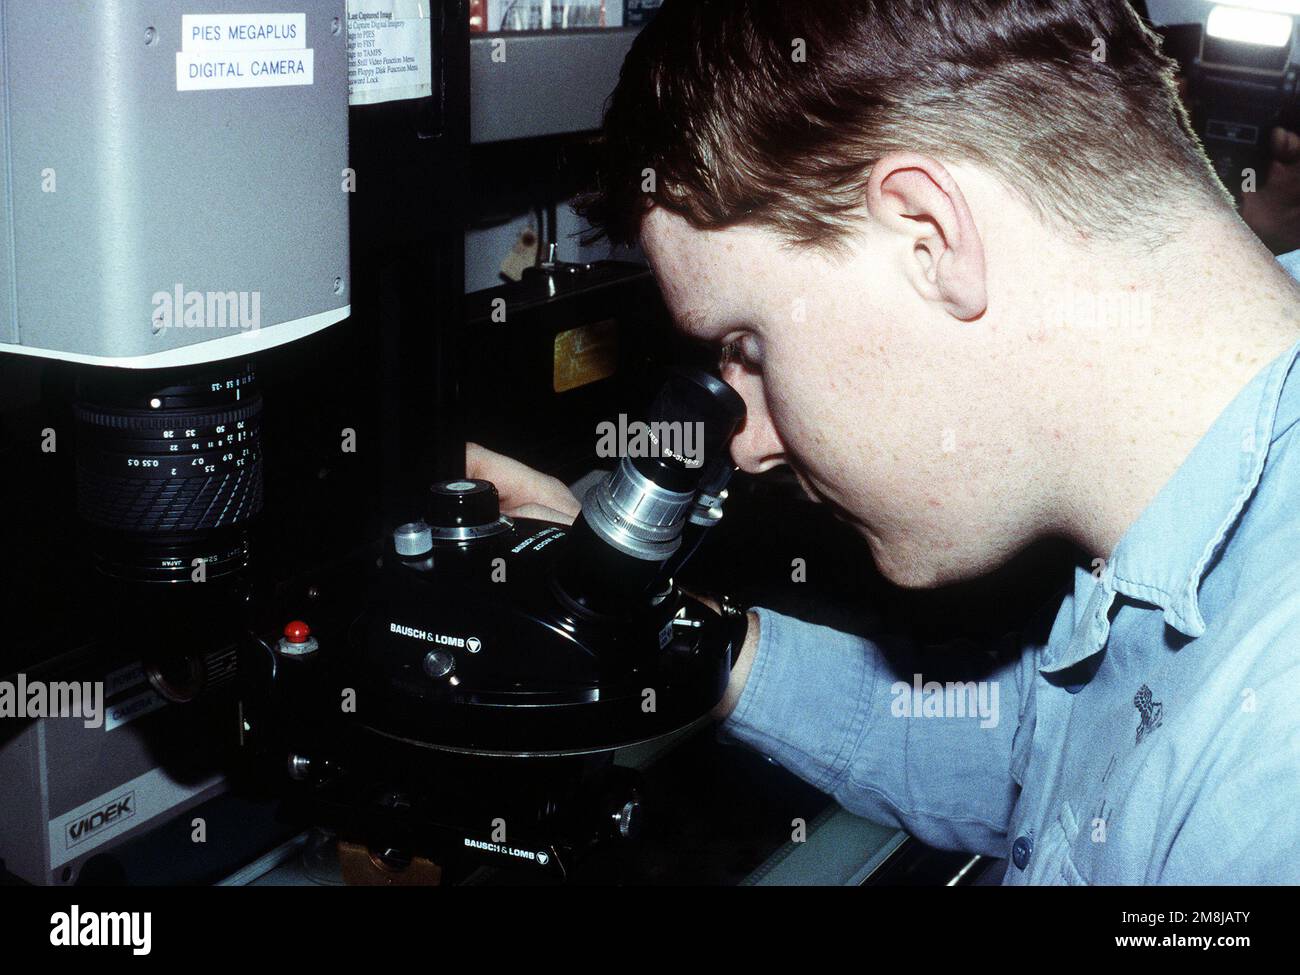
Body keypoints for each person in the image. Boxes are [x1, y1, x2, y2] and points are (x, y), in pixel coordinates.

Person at [469, 0, 1300, 883]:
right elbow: (1033, 753)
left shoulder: (1269, 773)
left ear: (928, 237)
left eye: (748, 347)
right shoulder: (1185, 506)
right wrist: (648, 616)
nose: (745, 449)